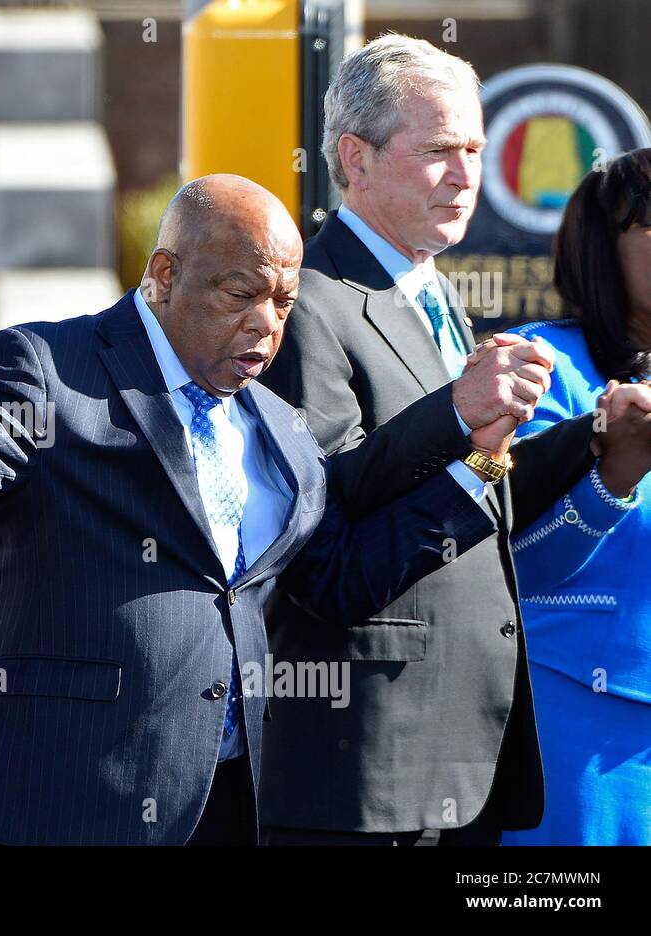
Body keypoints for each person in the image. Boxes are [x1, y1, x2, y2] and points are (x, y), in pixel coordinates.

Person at [0, 173, 546, 846]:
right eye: (242, 294)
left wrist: (484, 463)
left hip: (225, 809)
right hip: (56, 812)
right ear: (165, 274)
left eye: (285, 303)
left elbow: (339, 579)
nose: (266, 322)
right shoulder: (47, 365)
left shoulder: (278, 429)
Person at [257, 34, 650, 845]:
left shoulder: (429, 290)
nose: (468, 174)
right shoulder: (310, 302)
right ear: (354, 159)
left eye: (473, 147)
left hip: (466, 762)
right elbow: (319, 519)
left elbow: (484, 482)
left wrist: (599, 432)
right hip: (368, 761)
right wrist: (459, 417)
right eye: (439, 150)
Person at [501, 149, 651, 845]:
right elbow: (502, 572)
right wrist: (612, 475)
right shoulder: (539, 368)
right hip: (577, 735)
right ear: (603, 246)